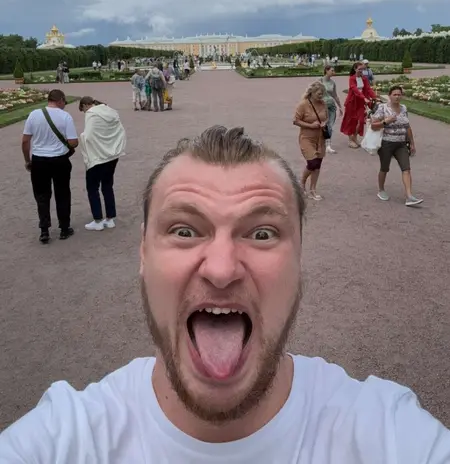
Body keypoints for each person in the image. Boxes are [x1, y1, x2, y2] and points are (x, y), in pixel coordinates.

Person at [2, 126, 449, 461]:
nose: (220, 270)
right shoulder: (59, 439)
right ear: (143, 252)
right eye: (184, 230)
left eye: (261, 233)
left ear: (299, 258)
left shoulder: (389, 434)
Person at [21, 89, 78, 244]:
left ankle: (44, 230)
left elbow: (25, 141)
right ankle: (64, 228)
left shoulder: (34, 114)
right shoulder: (65, 116)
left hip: (39, 160)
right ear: (61, 100)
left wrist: (28, 160)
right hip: (59, 160)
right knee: (63, 193)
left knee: (42, 196)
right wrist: (70, 144)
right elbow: (73, 142)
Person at [79, 96, 127, 231]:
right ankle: (110, 218)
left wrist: (82, 137)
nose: (84, 112)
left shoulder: (91, 113)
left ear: (85, 105)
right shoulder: (111, 111)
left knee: (92, 187)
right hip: (112, 154)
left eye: (83, 109)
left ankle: (98, 220)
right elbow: (120, 130)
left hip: (97, 156)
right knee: (107, 185)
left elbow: (88, 136)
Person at [371, 86, 423, 207]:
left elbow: (407, 126)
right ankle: (381, 189)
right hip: (386, 143)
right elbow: (373, 125)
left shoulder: (404, 108)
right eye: (394, 94)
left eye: (399, 94)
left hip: (401, 144)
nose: (397, 97)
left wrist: (412, 143)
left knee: (406, 168)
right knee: (384, 168)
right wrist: (386, 121)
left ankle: (409, 196)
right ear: (389, 96)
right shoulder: (383, 108)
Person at [293, 81, 328, 200]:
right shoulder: (303, 104)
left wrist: (324, 123)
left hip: (320, 138)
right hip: (307, 138)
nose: (321, 96)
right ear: (312, 92)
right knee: (312, 162)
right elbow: (296, 120)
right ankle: (302, 182)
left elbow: (326, 117)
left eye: (322, 94)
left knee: (318, 164)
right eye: (319, 93)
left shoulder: (323, 103)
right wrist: (310, 125)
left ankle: (313, 189)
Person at [340, 62, 378, 148]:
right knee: (351, 121)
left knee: (361, 121)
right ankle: (350, 140)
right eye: (359, 69)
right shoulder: (352, 78)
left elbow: (368, 89)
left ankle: (354, 137)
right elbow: (354, 89)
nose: (361, 71)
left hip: (361, 102)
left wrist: (375, 97)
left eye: (362, 69)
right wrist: (364, 98)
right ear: (355, 69)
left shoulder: (364, 79)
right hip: (352, 102)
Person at [320, 65, 343, 154]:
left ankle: (328, 146)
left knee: (330, 125)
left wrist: (340, 107)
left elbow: (335, 95)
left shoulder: (333, 83)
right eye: (332, 70)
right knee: (322, 124)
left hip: (331, 106)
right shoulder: (320, 81)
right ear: (326, 70)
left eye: (334, 71)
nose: (334, 72)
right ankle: (321, 143)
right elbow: (314, 93)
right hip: (322, 106)